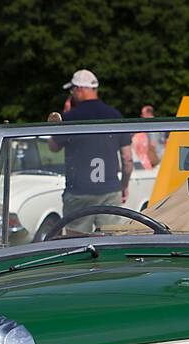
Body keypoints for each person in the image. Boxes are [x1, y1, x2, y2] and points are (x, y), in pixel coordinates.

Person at [50, 69, 134, 233]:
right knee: (112, 240)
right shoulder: (116, 116)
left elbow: (53, 146)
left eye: (72, 90)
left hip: (79, 191)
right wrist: (124, 185)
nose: (72, 94)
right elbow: (128, 159)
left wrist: (62, 117)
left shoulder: (71, 117)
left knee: (77, 243)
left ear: (79, 89)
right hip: (110, 190)